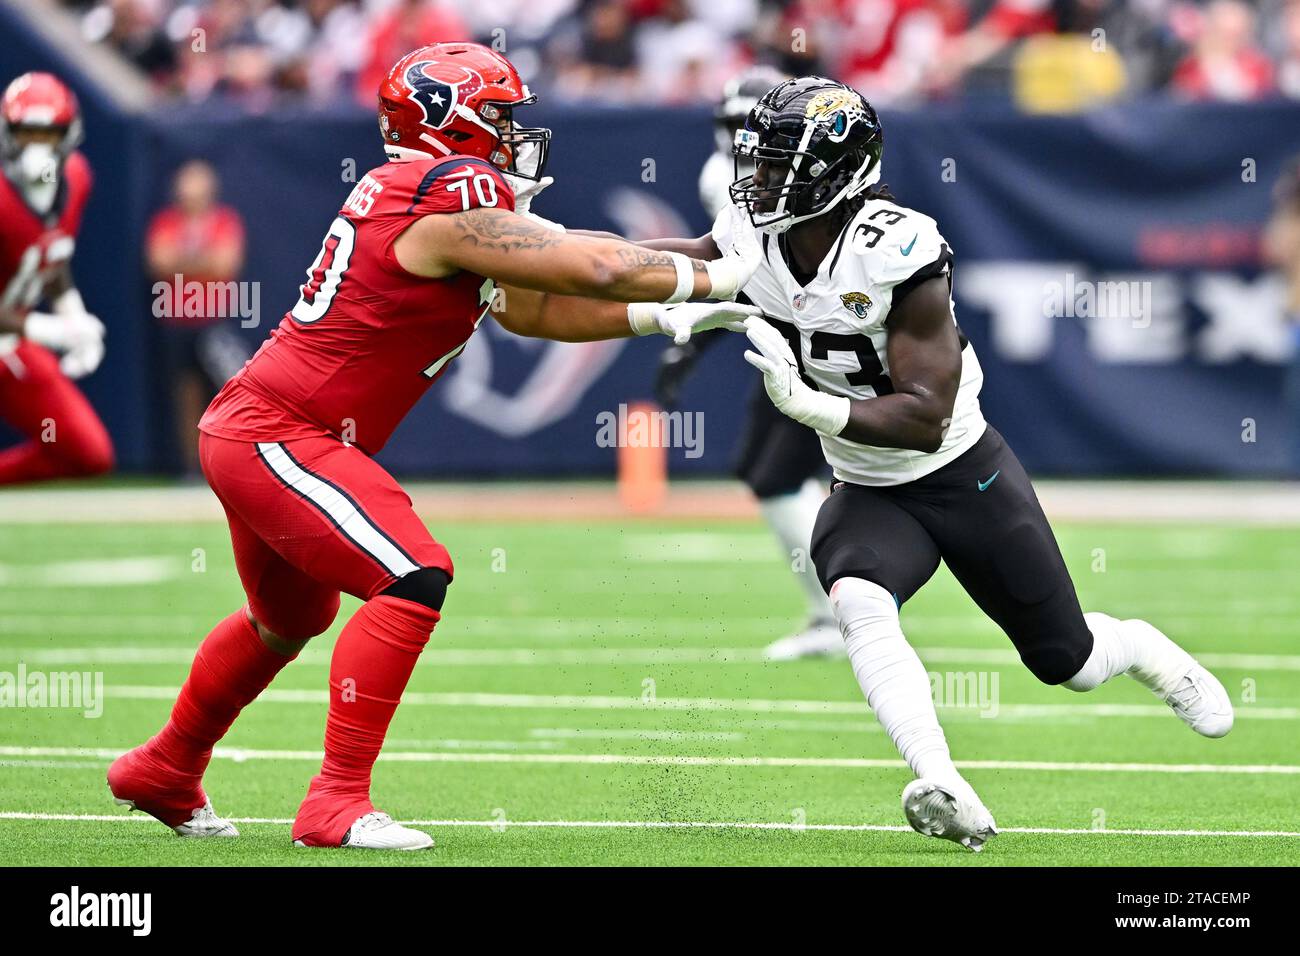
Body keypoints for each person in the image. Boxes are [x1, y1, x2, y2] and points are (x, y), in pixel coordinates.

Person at [107, 41, 761, 851]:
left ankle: (165, 766)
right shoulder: (442, 191)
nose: (515, 132)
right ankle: (335, 800)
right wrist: (720, 281)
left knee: (287, 617)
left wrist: (686, 291)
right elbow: (589, 266)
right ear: (448, 121)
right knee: (413, 573)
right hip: (280, 432)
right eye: (499, 116)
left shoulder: (428, 197)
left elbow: (534, 309)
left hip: (262, 428)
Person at [654, 76, 1234, 851]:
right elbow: (677, 263)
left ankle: (1142, 649)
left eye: (778, 162)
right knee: (857, 598)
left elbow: (924, 419)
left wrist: (812, 408)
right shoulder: (752, 231)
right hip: (867, 486)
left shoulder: (898, 248)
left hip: (965, 475)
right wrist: (554, 257)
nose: (756, 177)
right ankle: (941, 779)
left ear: (837, 170)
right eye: (759, 158)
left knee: (1071, 662)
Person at [655, 66, 844, 661]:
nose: (747, 145)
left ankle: (845, 612)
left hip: (830, 338)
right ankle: (842, 608)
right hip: (786, 333)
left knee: (779, 475)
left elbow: (759, 281)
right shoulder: (725, 178)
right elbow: (736, 273)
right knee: (769, 472)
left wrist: (693, 341)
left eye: (754, 127)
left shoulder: (815, 183)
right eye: (736, 128)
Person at [0, 72, 112, 486]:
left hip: (9, 345)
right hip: (17, 333)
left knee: (88, 452)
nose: (36, 148)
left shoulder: (76, 178)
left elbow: (52, 255)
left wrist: (73, 315)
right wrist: (49, 329)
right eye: (27, 133)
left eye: (47, 135)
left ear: (68, 135)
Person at [145, 160, 247, 477]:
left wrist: (183, 262)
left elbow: (224, 265)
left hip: (214, 321)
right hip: (176, 320)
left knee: (223, 392)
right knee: (185, 395)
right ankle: (192, 468)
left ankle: (227, 465)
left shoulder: (225, 220)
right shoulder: (165, 221)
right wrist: (201, 261)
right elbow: (158, 264)